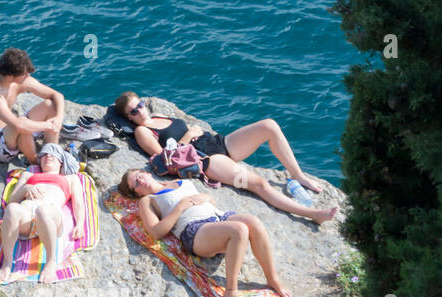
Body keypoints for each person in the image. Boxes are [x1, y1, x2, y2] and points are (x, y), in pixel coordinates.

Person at [112, 92, 338, 225]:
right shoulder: (143, 132)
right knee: (258, 183)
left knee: (269, 126)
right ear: (128, 118)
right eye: (134, 112)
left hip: (217, 143)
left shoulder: (158, 115)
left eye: (140, 104)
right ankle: (313, 214)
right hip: (205, 159)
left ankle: (298, 176)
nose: (141, 111)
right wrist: (190, 134)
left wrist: (195, 132)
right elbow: (166, 158)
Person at [118, 168, 291, 297]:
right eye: (135, 184)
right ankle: (231, 290)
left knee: (254, 222)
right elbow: (155, 232)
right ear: (137, 192)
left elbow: (210, 201)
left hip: (219, 217)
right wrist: (179, 208)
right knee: (239, 230)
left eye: (140, 176)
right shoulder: (148, 200)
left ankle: (272, 278)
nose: (141, 181)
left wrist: (206, 197)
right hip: (196, 230)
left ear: (146, 173)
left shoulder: (180, 181)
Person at [0, 147, 84, 284]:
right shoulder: (28, 175)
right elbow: (12, 200)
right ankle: (7, 263)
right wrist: (26, 189)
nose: (48, 156)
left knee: (42, 211)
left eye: (53, 155)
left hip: (51, 215)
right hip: (27, 216)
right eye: (44, 155)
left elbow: (78, 203)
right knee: (13, 208)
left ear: (61, 162)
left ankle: (51, 261)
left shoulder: (71, 178)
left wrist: (79, 224)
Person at [0, 48, 65, 164]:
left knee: (50, 105)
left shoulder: (17, 81)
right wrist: (49, 126)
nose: (28, 76)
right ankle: (35, 163)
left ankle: (52, 153)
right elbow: (18, 126)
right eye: (24, 74)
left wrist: (58, 118)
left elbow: (56, 95)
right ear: (11, 76)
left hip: (10, 131)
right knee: (22, 125)